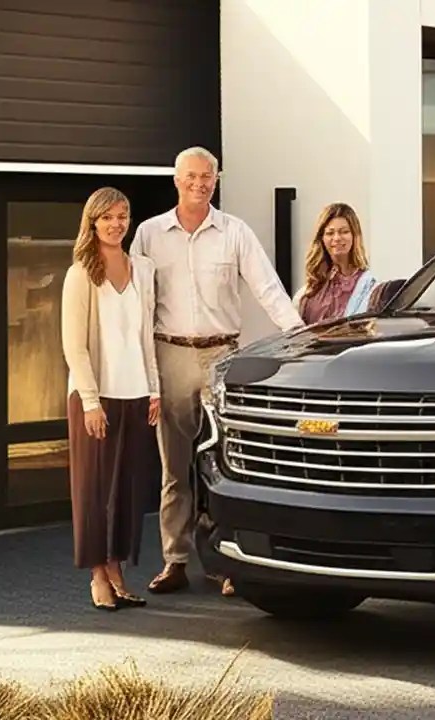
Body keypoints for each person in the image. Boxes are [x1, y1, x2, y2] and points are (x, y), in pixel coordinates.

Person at [131, 146, 303, 597]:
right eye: (191, 175)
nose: (200, 183)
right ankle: (175, 560)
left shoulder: (235, 233)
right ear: (176, 180)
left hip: (222, 358)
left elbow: (268, 287)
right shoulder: (149, 235)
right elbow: (135, 304)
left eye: (207, 176)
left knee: (223, 465)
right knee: (175, 468)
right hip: (169, 356)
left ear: (216, 180)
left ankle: (227, 561)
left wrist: (301, 336)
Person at [61, 186, 160, 611]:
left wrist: (155, 388)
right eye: (108, 217)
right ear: (93, 222)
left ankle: (117, 569)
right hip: (95, 396)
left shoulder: (143, 269)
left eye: (123, 216)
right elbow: (74, 345)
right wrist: (89, 401)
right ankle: (98, 575)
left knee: (127, 490)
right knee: (95, 489)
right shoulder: (81, 273)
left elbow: (146, 337)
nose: (116, 224)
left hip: (136, 392)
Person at [294, 203, 377, 324]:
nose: (337, 238)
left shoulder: (368, 285)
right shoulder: (312, 286)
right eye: (330, 233)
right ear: (321, 238)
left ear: (354, 236)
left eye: (344, 232)